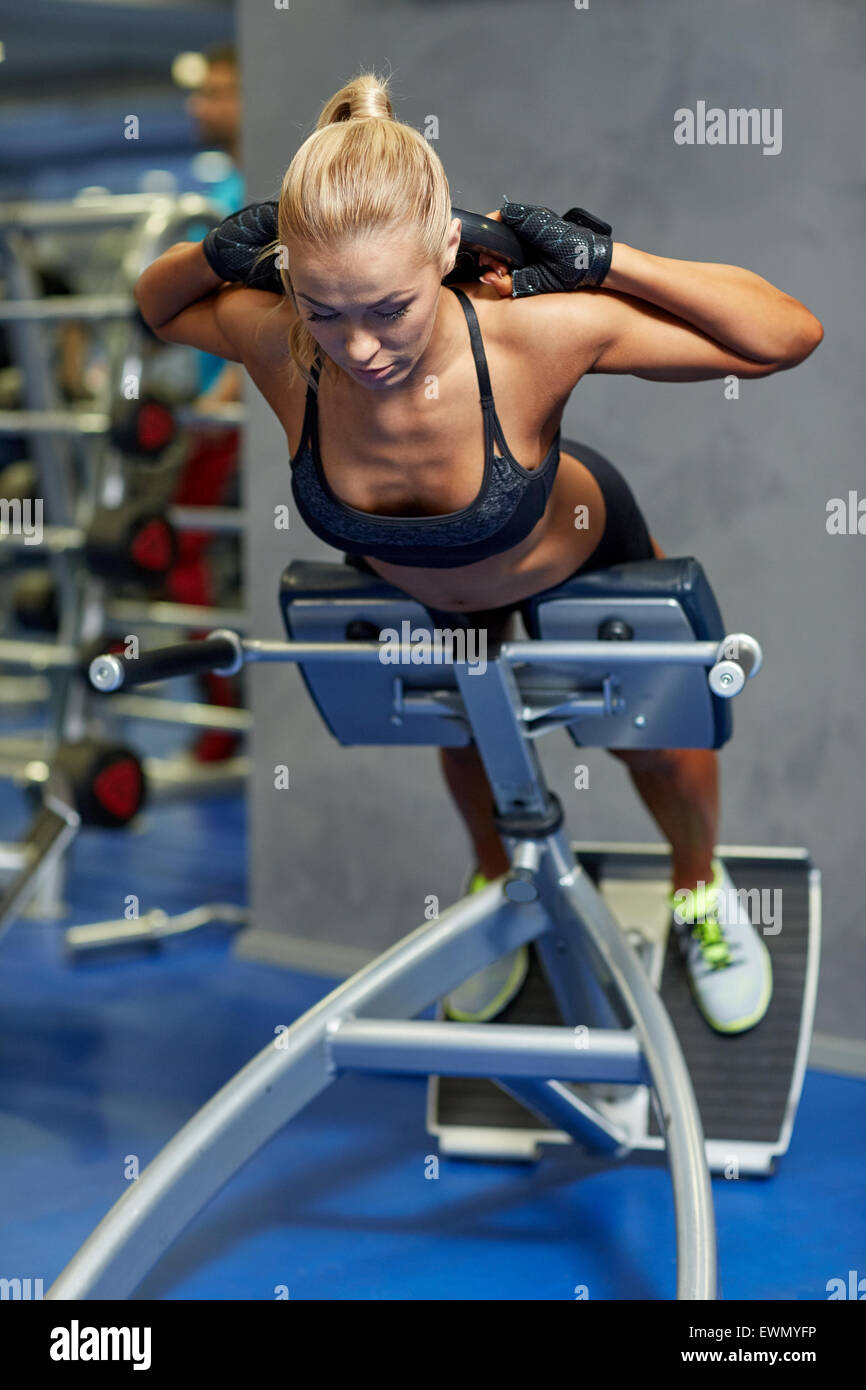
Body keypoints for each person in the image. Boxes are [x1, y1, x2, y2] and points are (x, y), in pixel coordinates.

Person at [133, 70, 823, 1036]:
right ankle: (498, 889)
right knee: (463, 740)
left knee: (658, 747)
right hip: (433, 601)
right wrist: (213, 253)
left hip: (577, 556)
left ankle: (699, 891)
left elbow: (785, 336)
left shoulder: (530, 335)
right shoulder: (280, 344)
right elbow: (158, 308)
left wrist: (608, 259)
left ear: (449, 248)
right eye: (327, 309)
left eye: (389, 308)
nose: (361, 348)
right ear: (291, 282)